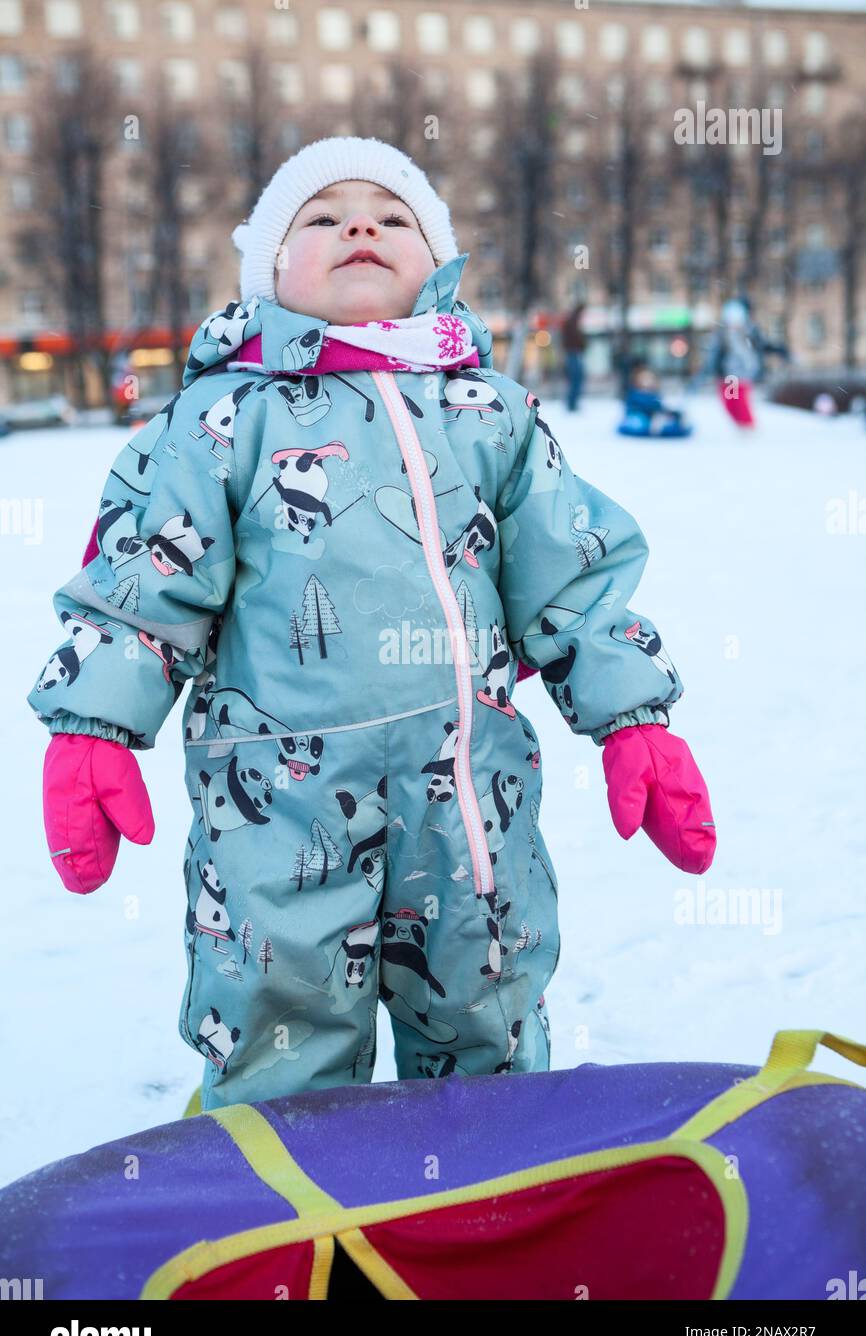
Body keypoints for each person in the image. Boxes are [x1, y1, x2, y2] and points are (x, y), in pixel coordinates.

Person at [27, 137, 716, 1112]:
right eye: (322, 217)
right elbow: (144, 572)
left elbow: (573, 575)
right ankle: (284, 1229)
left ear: (432, 263)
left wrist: (633, 717)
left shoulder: (488, 413)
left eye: (393, 217)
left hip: (472, 819)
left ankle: (490, 1210)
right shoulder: (223, 419)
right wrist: (92, 725)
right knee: (282, 1036)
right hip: (276, 820)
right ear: (269, 270)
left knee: (487, 1021)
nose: (360, 226)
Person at [706, 298, 788, 428]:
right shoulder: (722, 335)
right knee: (730, 403)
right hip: (727, 375)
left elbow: (762, 345)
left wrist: (780, 350)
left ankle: (747, 426)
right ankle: (742, 425)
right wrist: (715, 370)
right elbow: (715, 354)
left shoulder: (749, 332)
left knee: (738, 402)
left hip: (740, 374)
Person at [617, 360, 693, 438]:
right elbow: (633, 408)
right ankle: (654, 427)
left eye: (650, 379)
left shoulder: (654, 395)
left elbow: (659, 407)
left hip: (653, 417)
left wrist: (672, 413)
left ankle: (671, 426)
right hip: (639, 417)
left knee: (669, 417)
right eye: (644, 379)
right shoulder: (634, 394)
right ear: (637, 380)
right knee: (639, 420)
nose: (647, 381)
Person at [560, 299, 586, 411]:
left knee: (576, 378)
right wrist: (582, 344)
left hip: (573, 352)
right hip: (573, 352)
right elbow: (574, 338)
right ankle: (571, 404)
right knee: (576, 378)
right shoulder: (572, 322)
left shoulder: (572, 321)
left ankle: (572, 403)